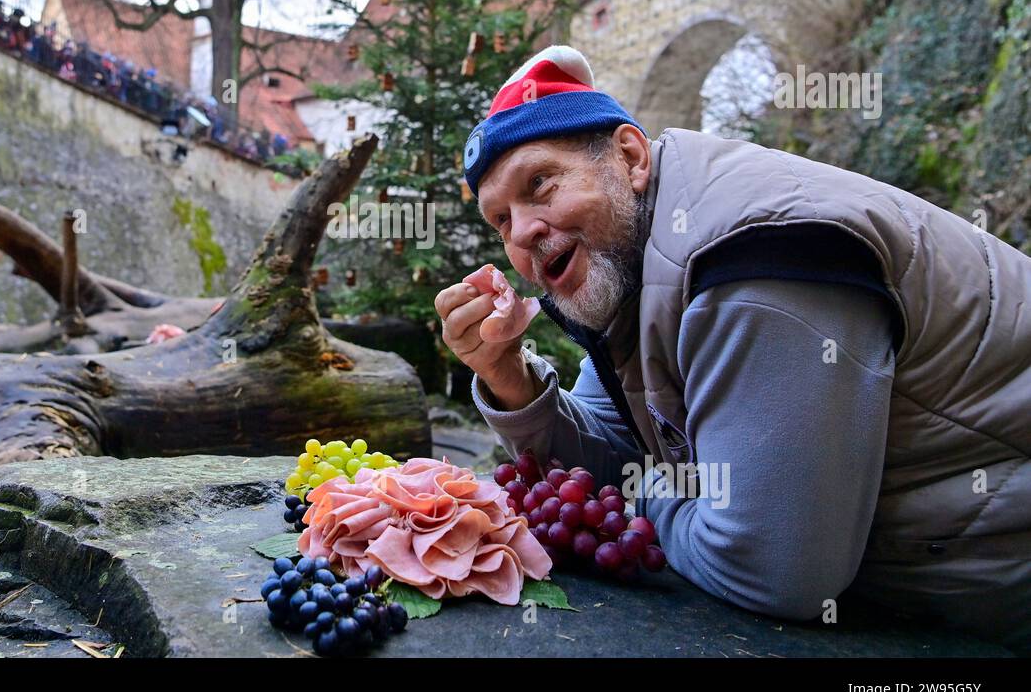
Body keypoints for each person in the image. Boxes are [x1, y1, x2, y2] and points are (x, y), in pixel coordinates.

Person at [434, 44, 1031, 653]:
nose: (524, 232)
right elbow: (599, 462)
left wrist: (642, 494)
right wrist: (508, 375)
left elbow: (771, 568)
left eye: (541, 184)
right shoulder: (635, 264)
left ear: (630, 156)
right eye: (501, 220)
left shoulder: (754, 260)